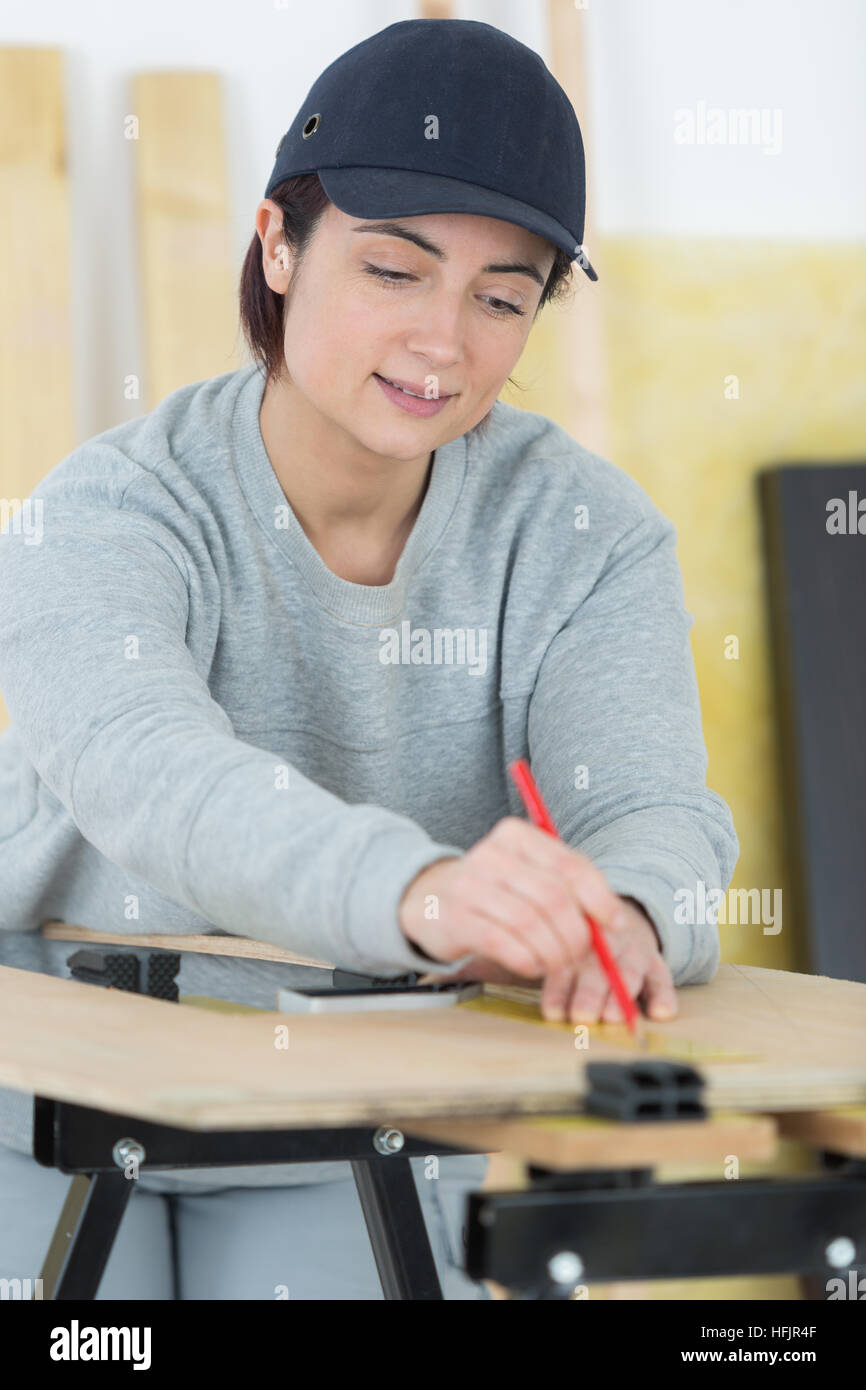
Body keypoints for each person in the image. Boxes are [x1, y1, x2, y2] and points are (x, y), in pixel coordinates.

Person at [0, 18, 738, 1299]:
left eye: (500, 297)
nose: (443, 341)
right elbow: (154, 776)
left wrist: (619, 918)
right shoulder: (109, 510)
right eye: (393, 269)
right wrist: (423, 894)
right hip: (42, 1098)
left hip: (361, 1110)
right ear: (277, 244)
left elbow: (653, 811)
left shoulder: (585, 534)